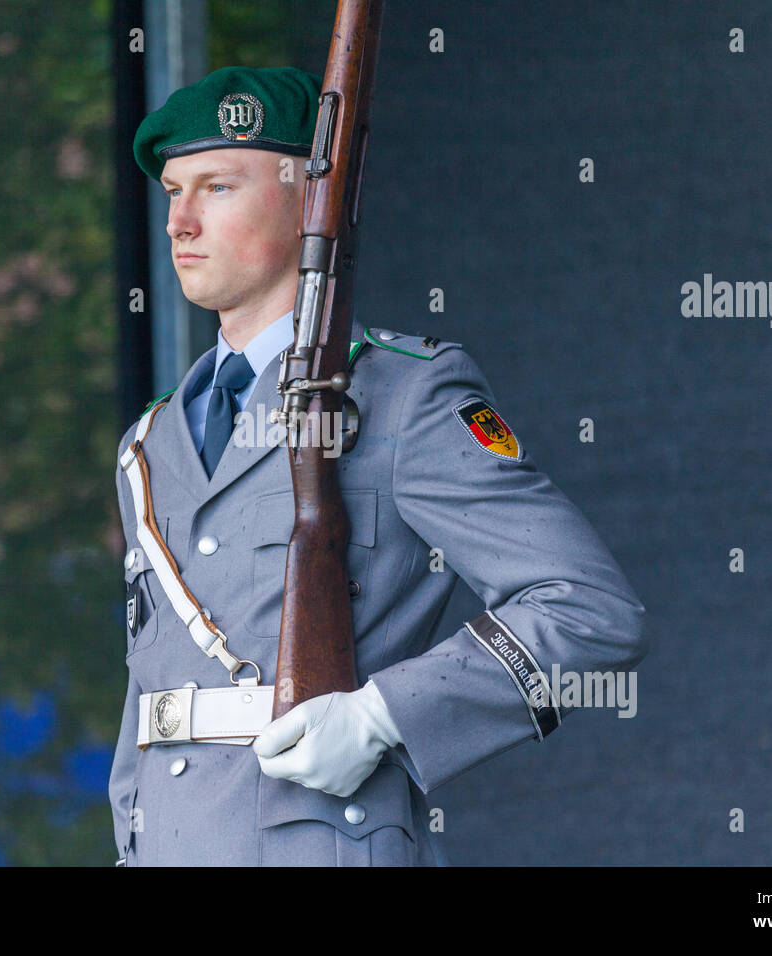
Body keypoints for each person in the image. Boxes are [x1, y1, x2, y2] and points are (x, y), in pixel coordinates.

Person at [109, 65, 647, 866]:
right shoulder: (150, 445)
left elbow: (588, 609)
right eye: (172, 192)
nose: (180, 222)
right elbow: (150, 697)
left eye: (217, 188)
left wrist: (383, 717)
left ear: (309, 201)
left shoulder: (404, 395)